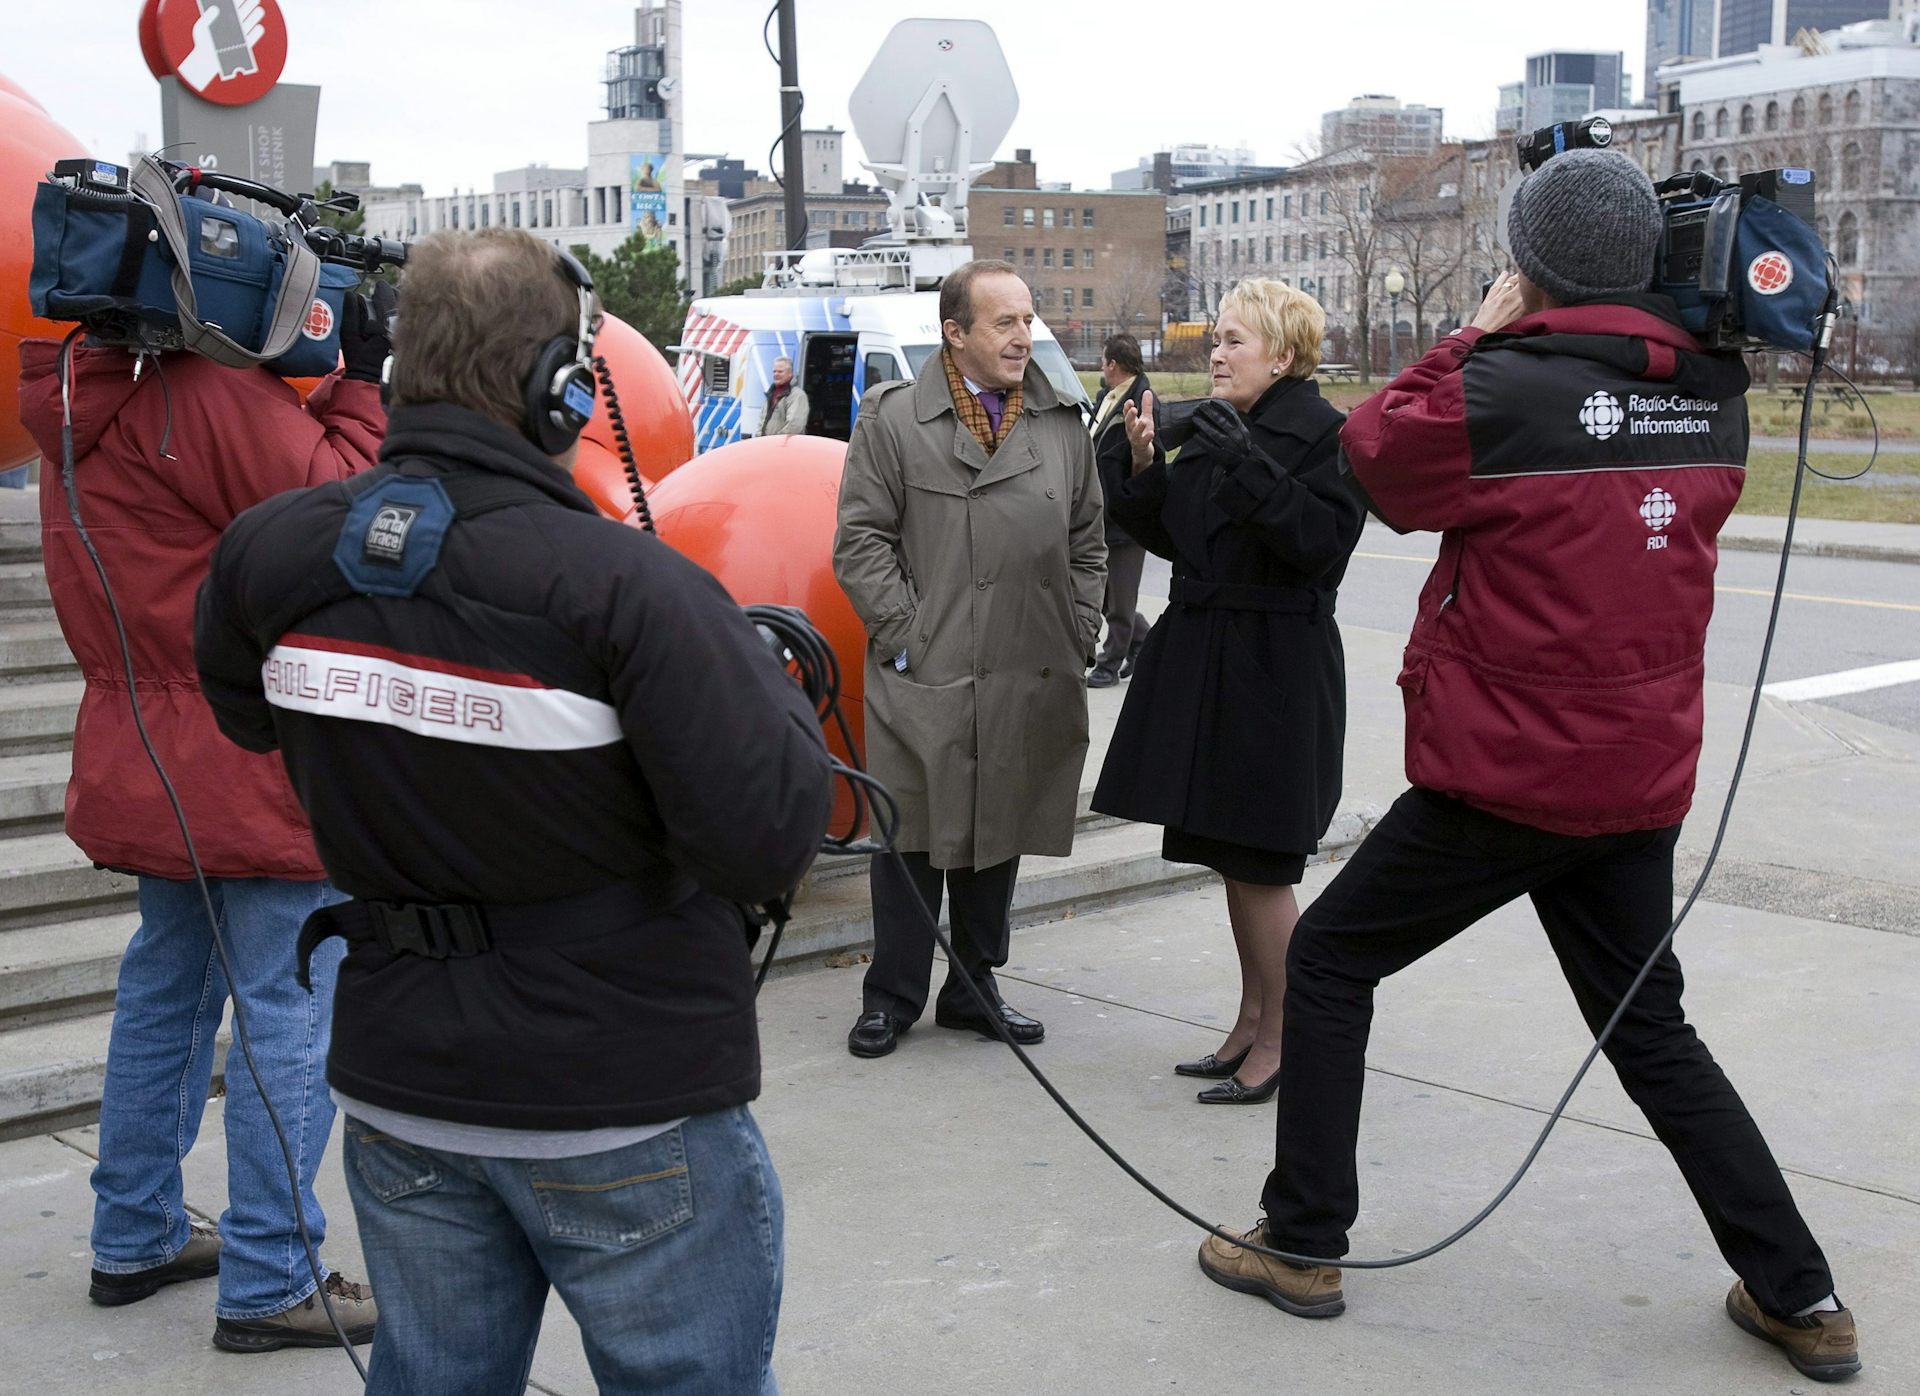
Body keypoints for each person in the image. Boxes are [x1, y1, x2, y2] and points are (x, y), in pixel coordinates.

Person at [1196, 150, 1860, 1385]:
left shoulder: (1503, 387)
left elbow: (1374, 456)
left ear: (1532, 264)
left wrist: (1472, 332)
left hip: (1504, 778)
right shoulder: (1712, 390)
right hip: (1637, 781)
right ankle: (1804, 1295)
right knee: (1651, 1030)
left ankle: (1302, 1241)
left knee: (1329, 961)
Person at [194, 229, 834, 1394]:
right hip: (621, 1099)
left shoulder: (268, 556)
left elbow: (251, 719)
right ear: (562, 390)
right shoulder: (634, 591)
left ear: (399, 370)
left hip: (404, 1089)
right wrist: (768, 689)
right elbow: (770, 838)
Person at [16, 294, 391, 1349]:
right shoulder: (210, 395)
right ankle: (274, 1273)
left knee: (165, 993)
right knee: (290, 1004)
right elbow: (350, 518)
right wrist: (363, 387)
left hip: (150, 748)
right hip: (252, 754)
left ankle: (134, 1233)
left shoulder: (86, 398)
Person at [1092, 280, 1360, 1106]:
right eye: (1217, 339)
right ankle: (1252, 1021)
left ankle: (1286, 1038)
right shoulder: (1222, 424)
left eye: (1234, 340)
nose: (1216, 353)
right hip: (1211, 658)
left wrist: (1246, 463)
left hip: (1275, 667)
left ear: (1282, 354)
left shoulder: (1323, 433)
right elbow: (1179, 536)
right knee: (1233, 859)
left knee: (1263, 863)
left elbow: (1319, 542)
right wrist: (1143, 462)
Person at [835, 258, 1105, 1059]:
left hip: (1029, 662)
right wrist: (906, 633)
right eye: (1004, 322)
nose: (1024, 336)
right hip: (929, 665)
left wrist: (1078, 628)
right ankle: (891, 996)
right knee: (912, 835)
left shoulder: (1061, 423)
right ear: (954, 333)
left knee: (999, 828)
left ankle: (975, 988)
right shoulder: (893, 419)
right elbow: (860, 540)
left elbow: (1089, 542)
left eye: (1028, 319)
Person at [1085, 333, 1156, 688]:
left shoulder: (1141, 404)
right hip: (1101, 515)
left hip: (1125, 520)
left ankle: (1109, 664)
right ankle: (1143, 642)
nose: (1101, 367)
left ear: (1112, 364)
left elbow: (1145, 459)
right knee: (1104, 596)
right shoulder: (1107, 398)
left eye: (1103, 361)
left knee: (1121, 599)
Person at [760, 355, 811, 436]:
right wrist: (759, 437)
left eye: (780, 371)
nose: (776, 374)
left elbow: (794, 426)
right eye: (774, 371)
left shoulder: (797, 395)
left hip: (783, 443)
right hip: (767, 442)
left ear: (790, 373)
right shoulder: (771, 393)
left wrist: (775, 440)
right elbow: (762, 421)